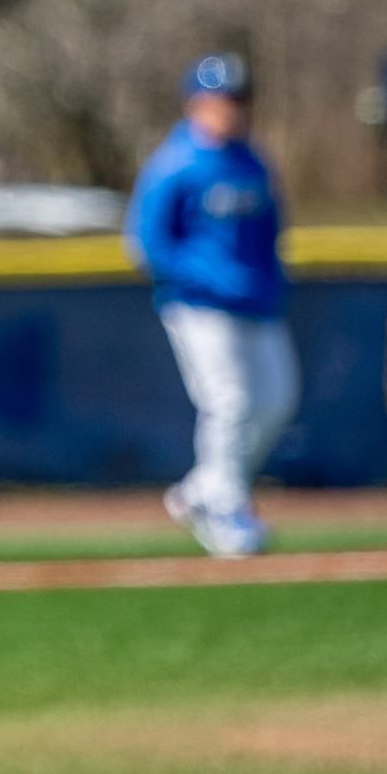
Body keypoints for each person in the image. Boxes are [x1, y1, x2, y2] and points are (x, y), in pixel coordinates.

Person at [126, 53, 298, 559]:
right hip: (199, 305)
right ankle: (225, 506)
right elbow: (146, 242)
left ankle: (203, 490)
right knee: (229, 402)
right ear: (195, 103)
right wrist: (204, 278)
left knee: (276, 401)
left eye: (239, 98)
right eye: (222, 98)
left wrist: (266, 282)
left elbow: (272, 233)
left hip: (256, 303)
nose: (232, 108)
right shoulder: (175, 163)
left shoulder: (252, 161)